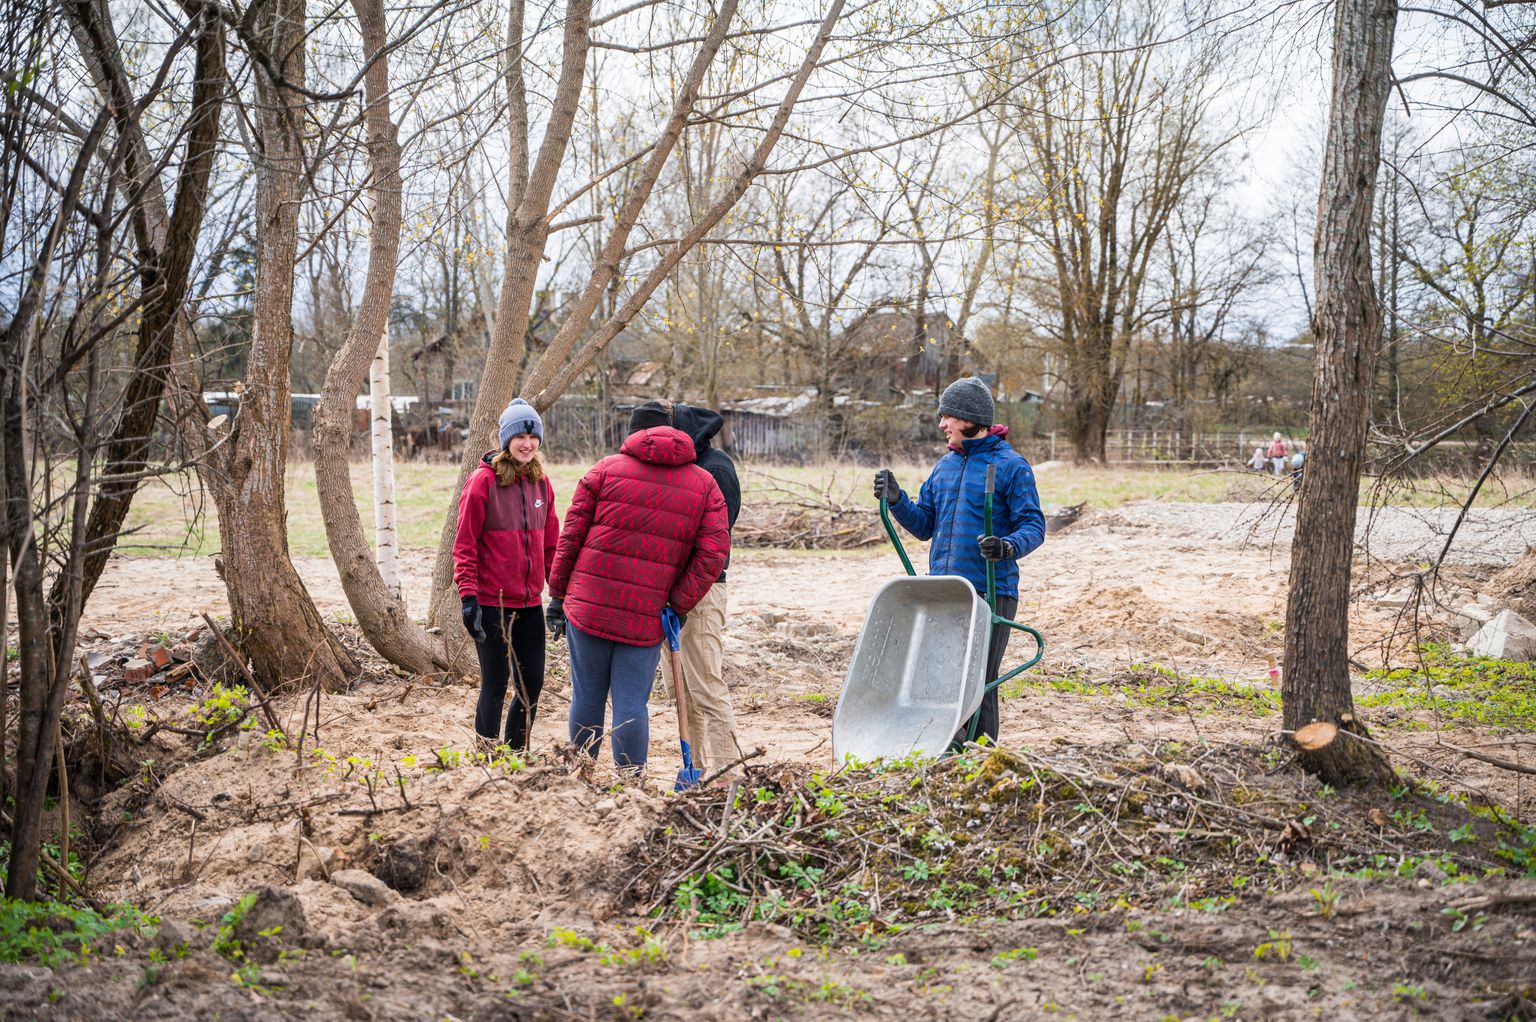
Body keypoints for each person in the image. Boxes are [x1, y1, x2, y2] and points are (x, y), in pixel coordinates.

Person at [546, 399, 730, 775]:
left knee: (587, 697)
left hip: (589, 604)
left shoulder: (603, 470)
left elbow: (571, 538)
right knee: (631, 702)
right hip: (645, 612)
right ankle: (630, 781)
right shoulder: (703, 483)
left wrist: (558, 595)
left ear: (634, 435)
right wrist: (678, 604)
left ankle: (581, 773)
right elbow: (714, 554)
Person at [873, 377, 1046, 746]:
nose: (941, 425)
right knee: (945, 677)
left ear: (969, 418)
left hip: (990, 590)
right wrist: (898, 499)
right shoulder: (944, 468)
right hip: (946, 592)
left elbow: (1033, 525)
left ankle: (981, 757)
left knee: (980, 680)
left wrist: (1007, 547)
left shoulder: (1011, 467)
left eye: (947, 416)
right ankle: (945, 750)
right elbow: (924, 526)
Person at [453, 398, 560, 753]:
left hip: (529, 604)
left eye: (533, 436)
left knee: (532, 686)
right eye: (520, 436)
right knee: (495, 685)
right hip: (490, 603)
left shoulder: (542, 485)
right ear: (506, 440)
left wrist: (558, 596)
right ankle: (485, 752)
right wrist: (469, 599)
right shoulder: (482, 482)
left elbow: (552, 547)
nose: (527, 443)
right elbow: (465, 544)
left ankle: (515, 756)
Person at [651, 403, 743, 782]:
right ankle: (697, 769)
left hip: (703, 591)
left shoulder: (715, 469)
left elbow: (714, 540)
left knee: (705, 684)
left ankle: (729, 772)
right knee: (682, 690)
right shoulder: (680, 467)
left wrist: (688, 588)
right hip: (672, 591)